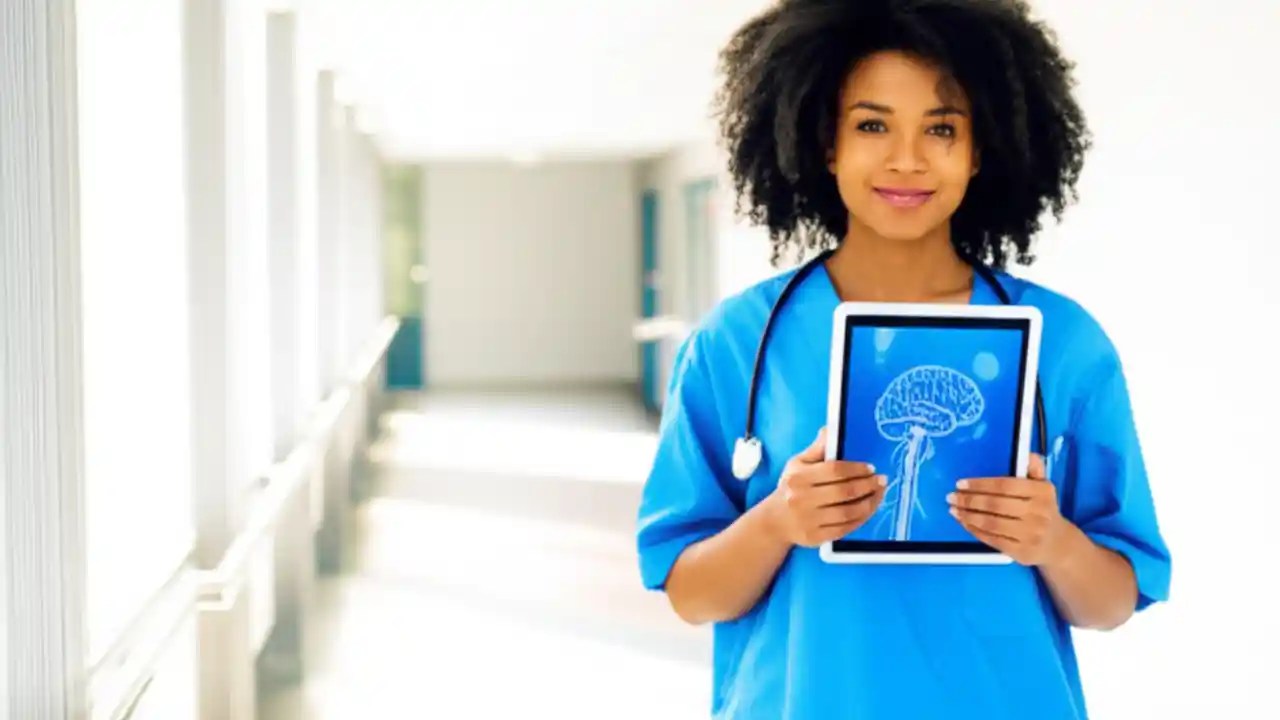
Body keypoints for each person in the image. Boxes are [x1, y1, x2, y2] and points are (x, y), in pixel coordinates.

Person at [634, 1, 1171, 718]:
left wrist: (1053, 540)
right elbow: (690, 592)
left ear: (982, 149)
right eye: (872, 124)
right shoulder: (739, 340)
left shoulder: (1063, 342)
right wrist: (776, 522)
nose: (907, 158)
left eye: (942, 128)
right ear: (826, 142)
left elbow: (1110, 603)